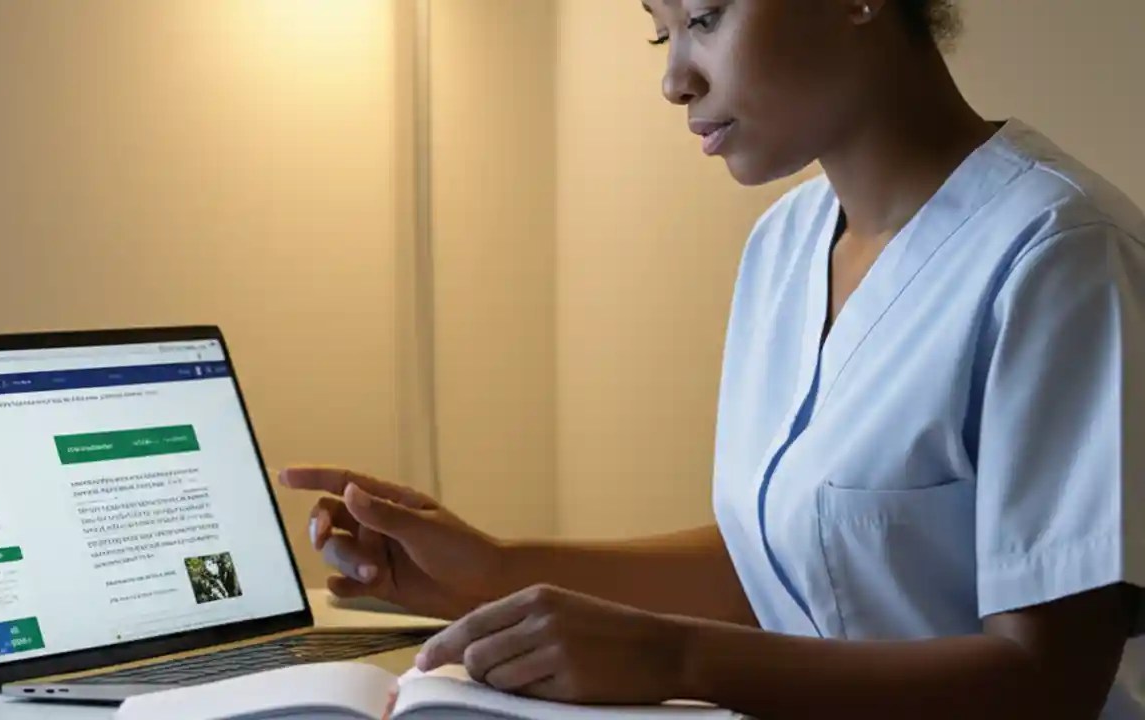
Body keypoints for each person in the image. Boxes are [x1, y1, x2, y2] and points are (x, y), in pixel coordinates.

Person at [283, 0, 1145, 717]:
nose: (674, 78)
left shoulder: (1057, 255)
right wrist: (495, 570)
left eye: (704, 17)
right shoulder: (786, 244)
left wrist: (676, 659)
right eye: (663, 33)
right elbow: (789, 563)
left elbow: (1049, 681)